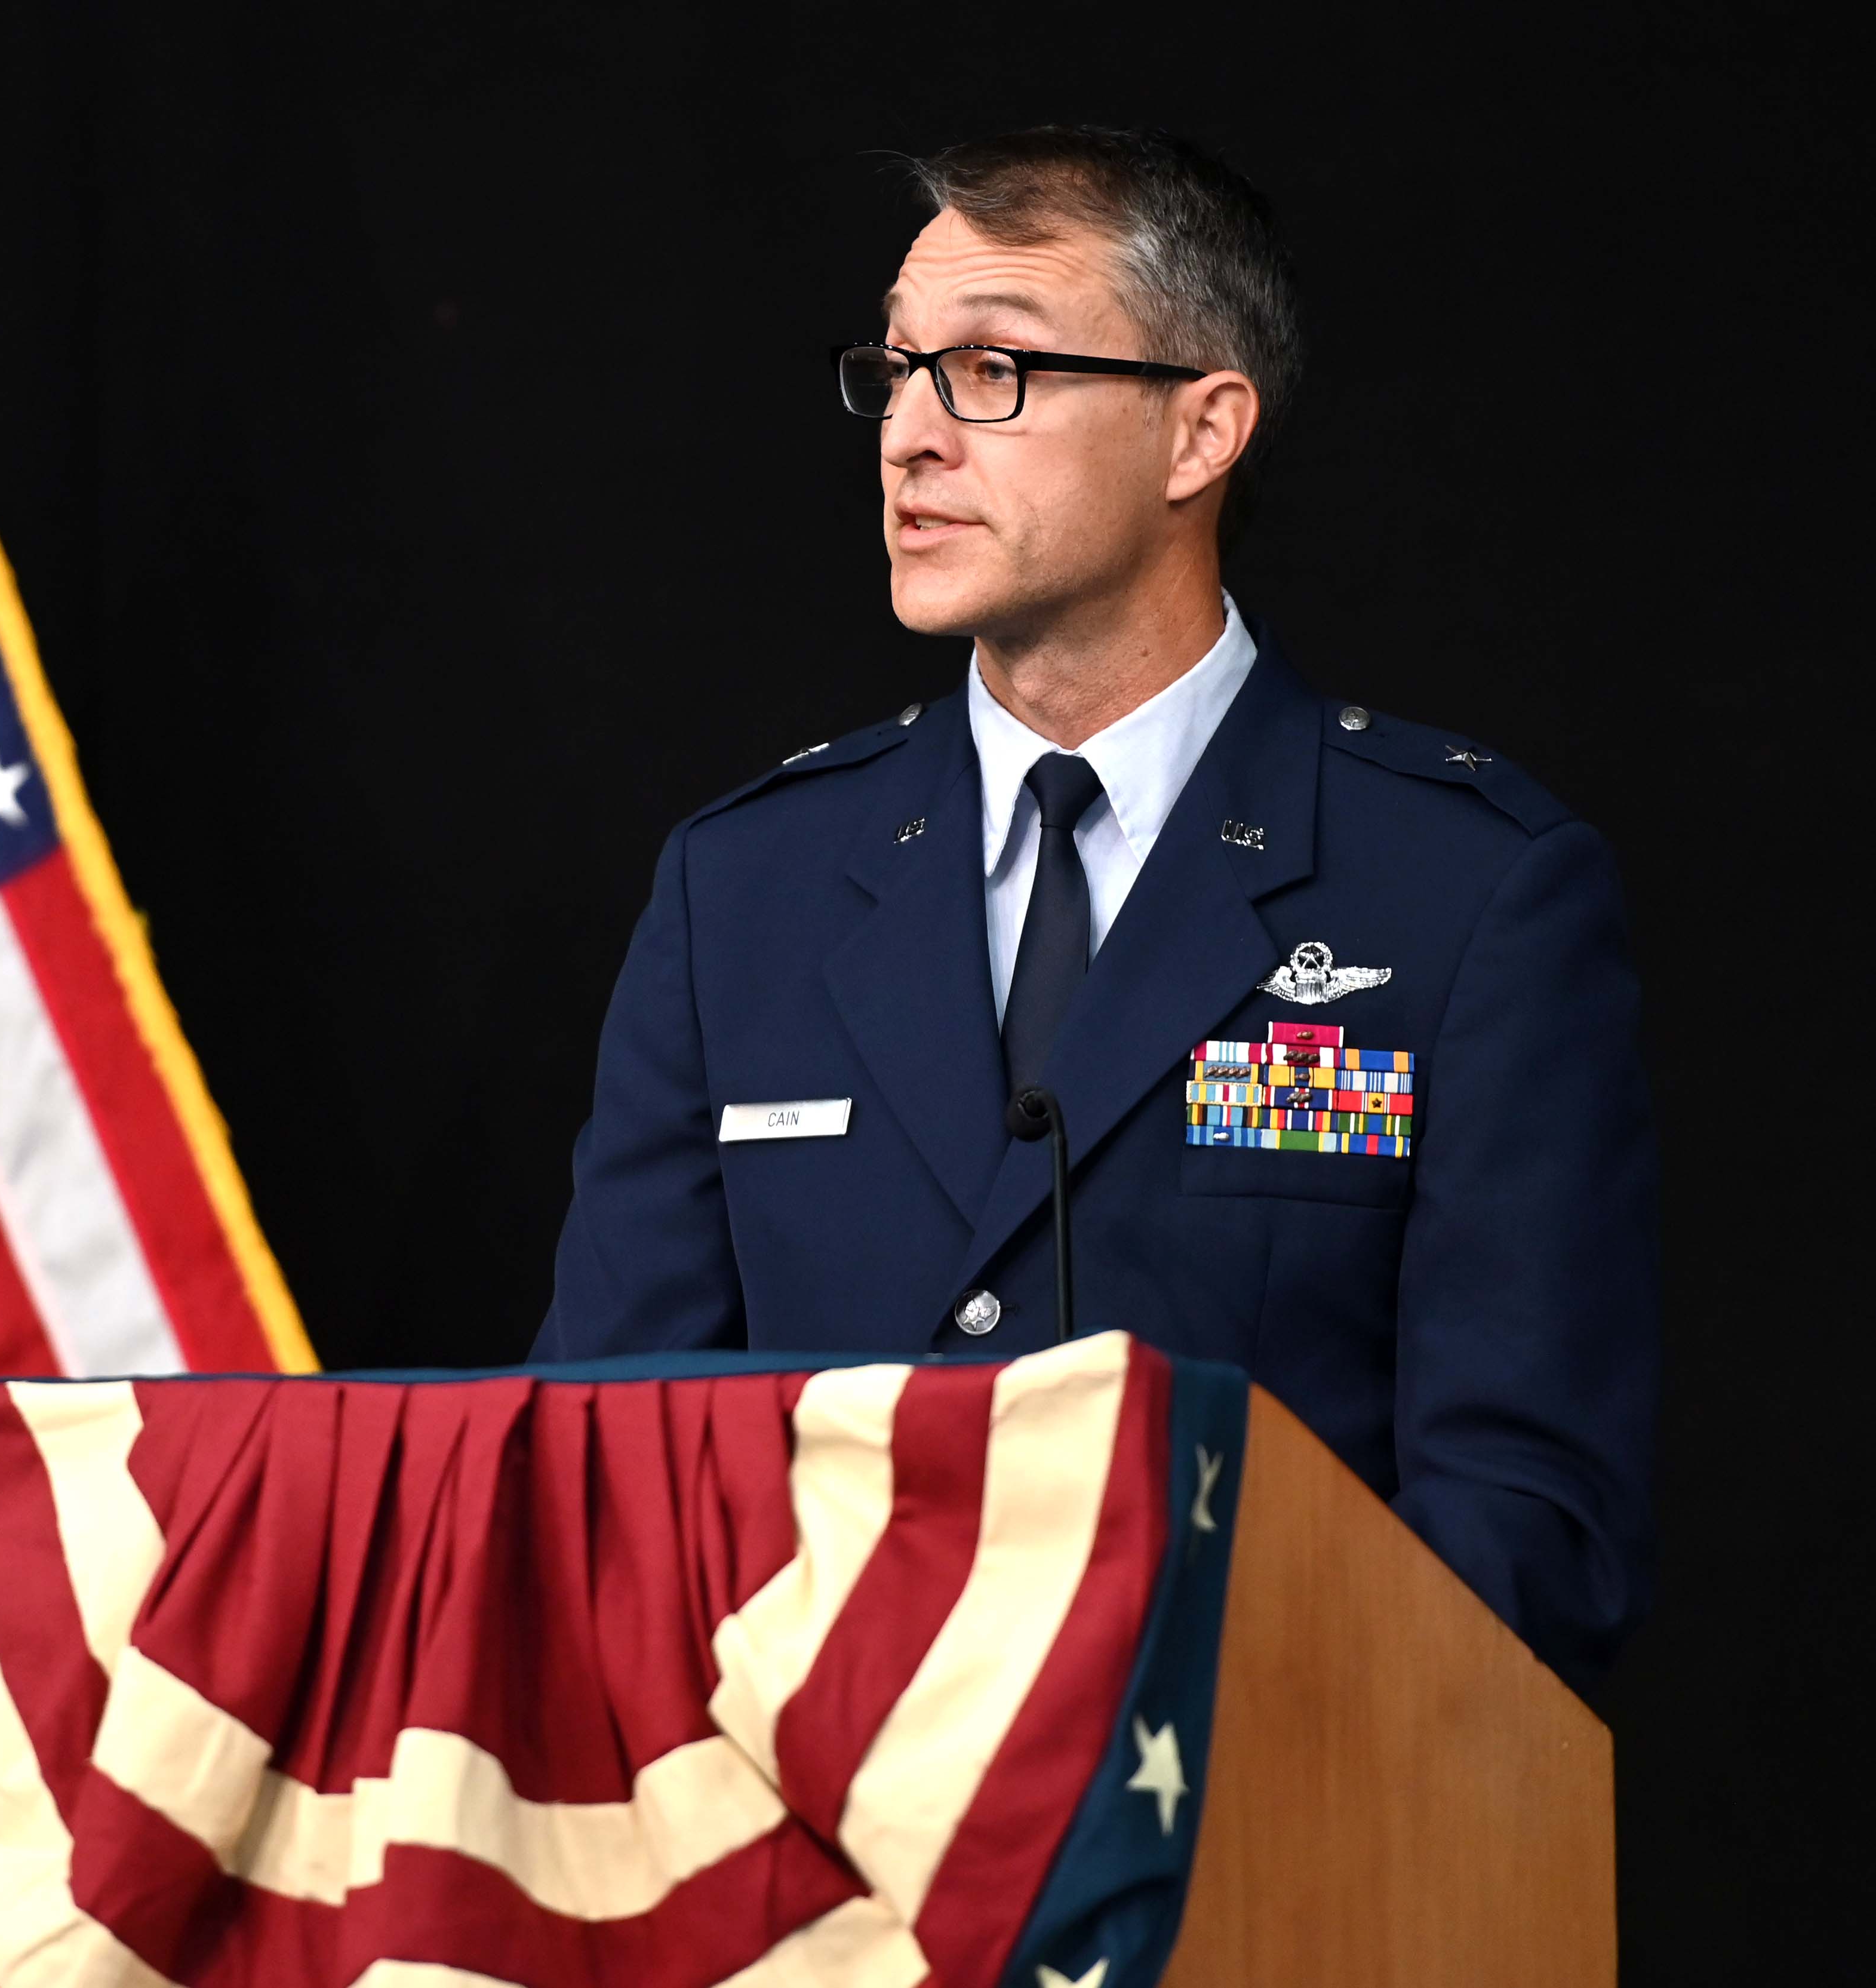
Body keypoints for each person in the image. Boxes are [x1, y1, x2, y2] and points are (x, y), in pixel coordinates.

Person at [531, 127, 1655, 1685]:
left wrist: (1109, 1716)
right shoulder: (746, 885)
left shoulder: (1465, 886)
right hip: (813, 1873)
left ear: (1200, 432)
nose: (910, 437)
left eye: (989, 369)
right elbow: (598, 1464)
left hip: (1261, 1850)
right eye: (897, 368)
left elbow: (1529, 1527)